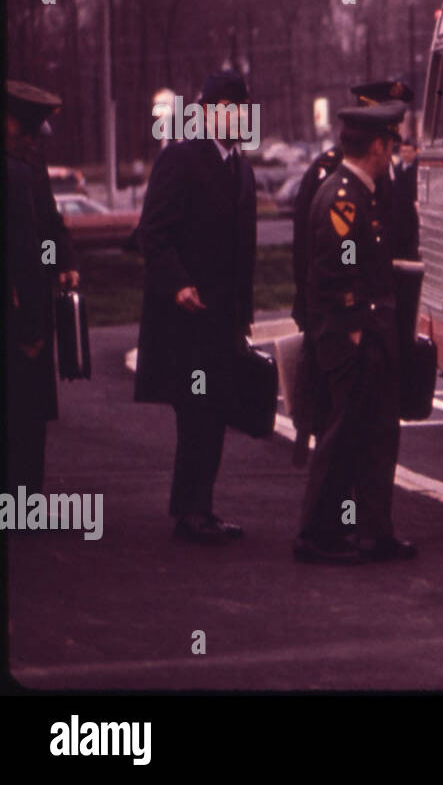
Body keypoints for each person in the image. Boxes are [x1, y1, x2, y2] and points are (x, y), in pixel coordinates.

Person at [133, 69, 256, 544]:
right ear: (205, 112)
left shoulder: (240, 169)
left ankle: (201, 507)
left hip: (224, 320)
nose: (236, 114)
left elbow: (242, 251)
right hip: (188, 321)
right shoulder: (181, 160)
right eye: (226, 106)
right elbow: (153, 231)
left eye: (242, 106)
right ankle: (189, 512)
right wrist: (178, 284)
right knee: (196, 414)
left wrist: (243, 314)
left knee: (215, 412)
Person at [295, 101, 416, 565]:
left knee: (377, 436)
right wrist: (354, 332)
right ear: (379, 146)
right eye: (392, 145)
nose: (394, 155)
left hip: (370, 334)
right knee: (342, 436)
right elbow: (335, 275)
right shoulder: (343, 199)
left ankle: (374, 531)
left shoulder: (361, 193)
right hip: (352, 336)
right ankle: (316, 534)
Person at [5, 81, 79, 494]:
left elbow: (47, 223)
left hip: (31, 304)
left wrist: (62, 261)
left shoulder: (29, 163)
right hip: (16, 306)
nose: (33, 140)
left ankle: (26, 498)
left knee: (31, 411)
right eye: (26, 129)